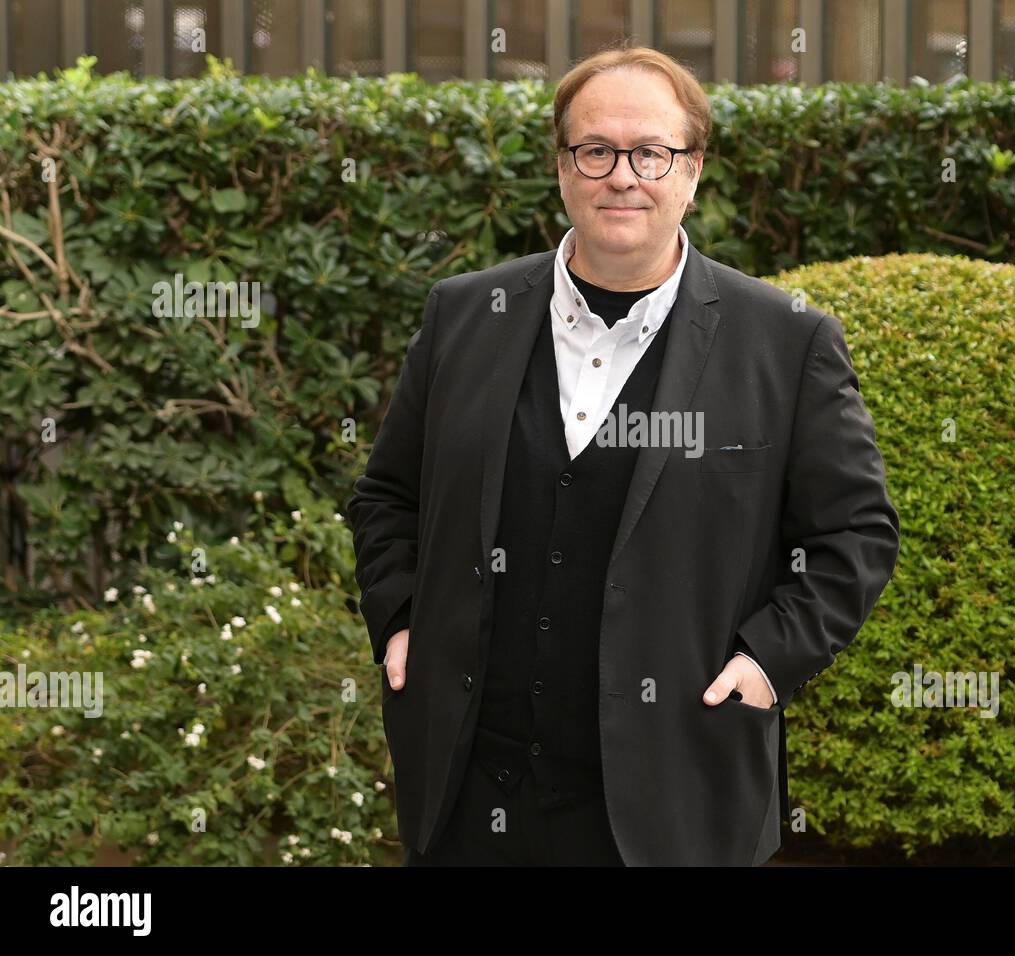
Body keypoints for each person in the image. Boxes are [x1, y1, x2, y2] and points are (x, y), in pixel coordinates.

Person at [346, 46, 900, 867]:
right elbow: (387, 495)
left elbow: (856, 536)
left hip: (675, 796)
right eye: (595, 150)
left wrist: (765, 662)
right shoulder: (466, 315)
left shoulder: (785, 342)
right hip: (470, 793)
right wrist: (399, 622)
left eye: (651, 152)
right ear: (563, 167)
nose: (622, 176)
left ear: (693, 169)